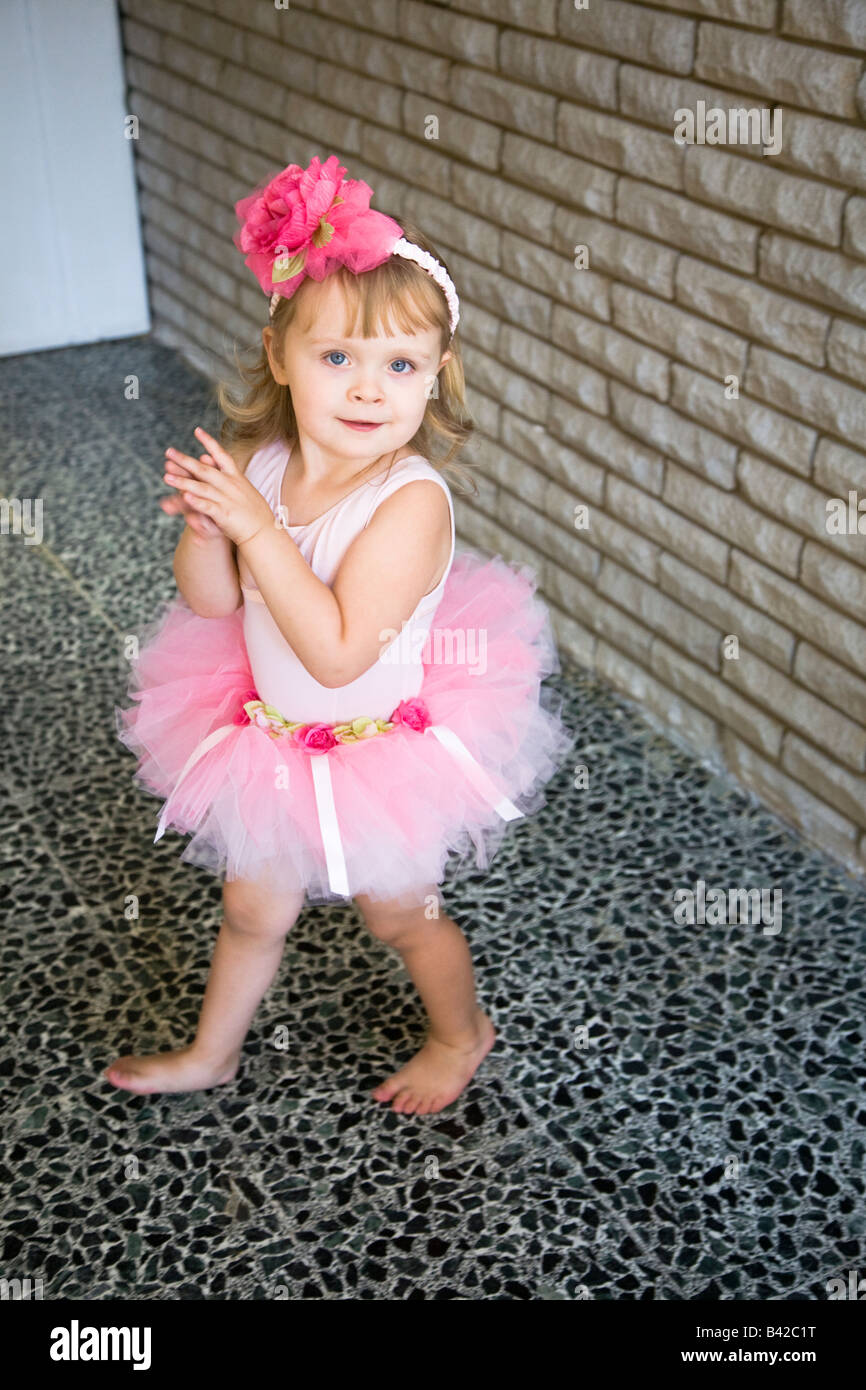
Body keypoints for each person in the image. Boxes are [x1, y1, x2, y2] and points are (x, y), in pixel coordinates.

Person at [106, 154, 572, 1114]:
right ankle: (213, 1053)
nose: (369, 390)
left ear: (435, 374)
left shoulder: (409, 505)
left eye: (399, 365)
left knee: (399, 915)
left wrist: (255, 528)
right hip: (273, 735)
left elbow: (337, 651)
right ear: (280, 357)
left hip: (377, 748)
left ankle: (460, 1034)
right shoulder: (264, 465)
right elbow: (212, 605)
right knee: (251, 906)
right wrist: (207, 532)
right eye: (337, 358)